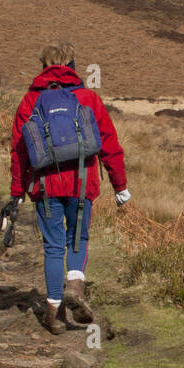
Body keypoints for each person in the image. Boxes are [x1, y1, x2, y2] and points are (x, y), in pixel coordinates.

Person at [9, 43, 129, 334]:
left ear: (43, 66)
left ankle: (53, 313)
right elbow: (109, 144)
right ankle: (75, 284)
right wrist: (120, 187)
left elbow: (19, 151)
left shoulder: (30, 101)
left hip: (44, 186)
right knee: (78, 239)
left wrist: (16, 192)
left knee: (52, 246)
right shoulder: (88, 98)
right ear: (73, 66)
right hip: (81, 182)